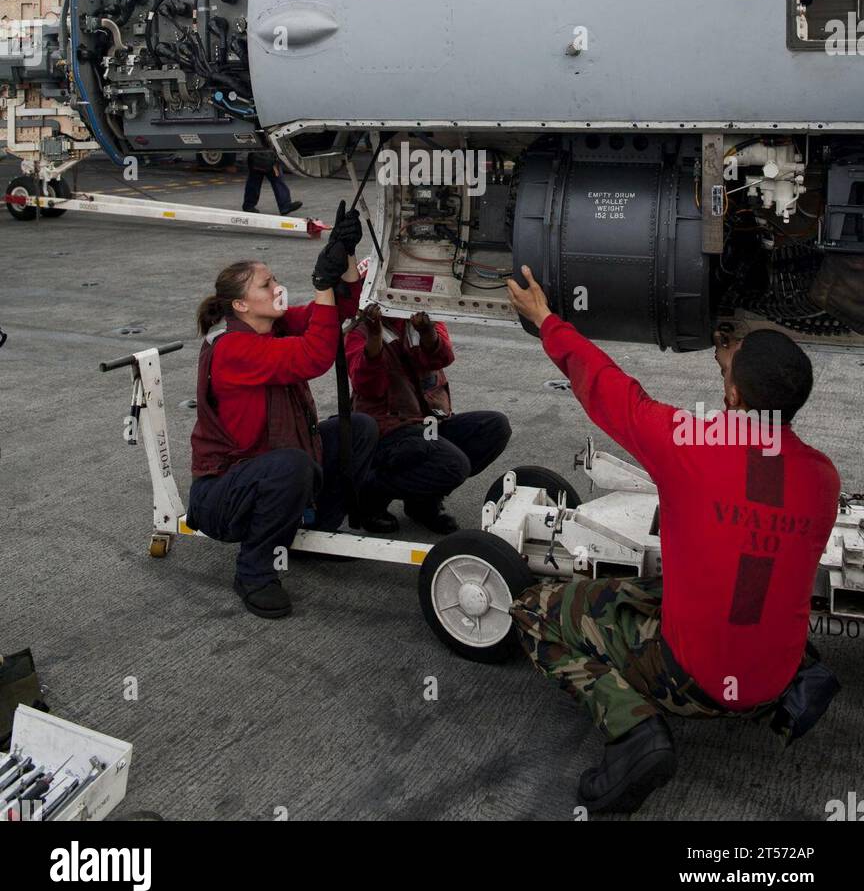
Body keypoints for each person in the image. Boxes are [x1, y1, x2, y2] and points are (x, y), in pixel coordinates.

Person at [506, 265, 841, 815]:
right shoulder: (823, 478)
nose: (722, 356)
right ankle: (787, 696)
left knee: (535, 610)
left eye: (728, 364)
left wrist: (546, 319)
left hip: (696, 678)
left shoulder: (692, 447)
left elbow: (611, 388)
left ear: (732, 397)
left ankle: (635, 735)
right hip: (771, 677)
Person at [187, 203, 393, 620]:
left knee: (360, 429)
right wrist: (321, 281)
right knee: (291, 466)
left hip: (269, 469)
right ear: (241, 306)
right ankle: (254, 571)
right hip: (223, 492)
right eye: (266, 285)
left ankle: (312, 533)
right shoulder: (233, 349)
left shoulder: (275, 326)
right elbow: (316, 355)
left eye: (275, 279)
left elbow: (340, 311)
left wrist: (346, 255)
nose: (277, 288)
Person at [345, 304, 511, 533]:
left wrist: (426, 331)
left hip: (429, 422)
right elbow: (368, 385)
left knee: (495, 427)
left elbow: (442, 357)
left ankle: (421, 502)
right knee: (453, 464)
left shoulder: (421, 316)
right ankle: (371, 494)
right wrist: (374, 337)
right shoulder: (359, 330)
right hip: (389, 430)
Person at [242, 147, 302, 216]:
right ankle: (285, 206)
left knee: (254, 181)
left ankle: (248, 205)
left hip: (257, 153)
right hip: (267, 155)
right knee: (277, 181)